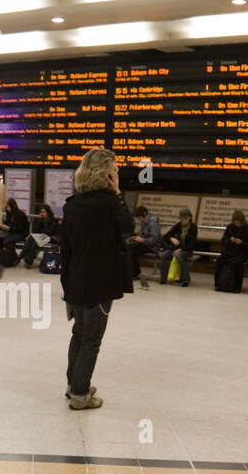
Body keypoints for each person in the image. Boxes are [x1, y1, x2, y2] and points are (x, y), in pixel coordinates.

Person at [60, 147, 133, 410]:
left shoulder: (72, 205)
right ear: (105, 174)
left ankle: (74, 385)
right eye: (114, 168)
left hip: (76, 280)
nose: (117, 172)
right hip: (100, 281)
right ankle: (80, 395)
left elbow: (64, 249)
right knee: (92, 339)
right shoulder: (109, 202)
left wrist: (66, 284)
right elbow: (129, 227)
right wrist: (117, 194)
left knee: (79, 334)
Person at [215, 209, 248, 291]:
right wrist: (230, 240)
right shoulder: (229, 227)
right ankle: (218, 284)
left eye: (239, 222)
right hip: (229, 250)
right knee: (220, 260)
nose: (237, 224)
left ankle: (237, 287)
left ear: (242, 221)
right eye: (235, 222)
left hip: (242, 252)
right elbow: (223, 241)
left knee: (238, 263)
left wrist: (241, 242)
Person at [159, 207, 199, 287]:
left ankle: (185, 280)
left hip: (186, 250)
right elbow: (165, 236)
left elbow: (192, 244)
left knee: (179, 256)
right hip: (174, 249)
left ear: (189, 218)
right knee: (164, 255)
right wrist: (171, 238)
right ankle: (163, 278)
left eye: (184, 219)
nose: (182, 221)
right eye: (181, 219)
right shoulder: (178, 226)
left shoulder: (193, 228)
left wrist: (180, 249)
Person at [0, 198, 29, 277]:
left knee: (7, 241)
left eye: (8, 207)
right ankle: (1, 258)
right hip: (11, 232)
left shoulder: (19, 214)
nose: (7, 208)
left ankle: (12, 258)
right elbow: (8, 224)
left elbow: (19, 228)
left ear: (13, 206)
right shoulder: (10, 214)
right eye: (7, 207)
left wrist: (8, 228)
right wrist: (3, 226)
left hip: (21, 233)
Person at [127, 204, 161, 287]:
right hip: (144, 244)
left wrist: (143, 240)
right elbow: (142, 234)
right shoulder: (145, 222)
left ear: (144, 214)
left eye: (139, 217)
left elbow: (155, 239)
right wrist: (135, 238)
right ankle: (134, 272)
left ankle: (134, 273)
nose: (138, 219)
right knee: (128, 248)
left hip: (152, 246)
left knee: (132, 252)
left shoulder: (152, 223)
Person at [23, 203, 60, 269]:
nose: (43, 214)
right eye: (42, 212)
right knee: (33, 239)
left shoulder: (52, 220)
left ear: (48, 212)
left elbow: (48, 232)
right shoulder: (41, 219)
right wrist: (39, 220)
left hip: (50, 238)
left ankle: (24, 257)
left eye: (45, 212)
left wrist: (43, 224)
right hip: (41, 237)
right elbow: (35, 231)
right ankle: (28, 261)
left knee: (33, 240)